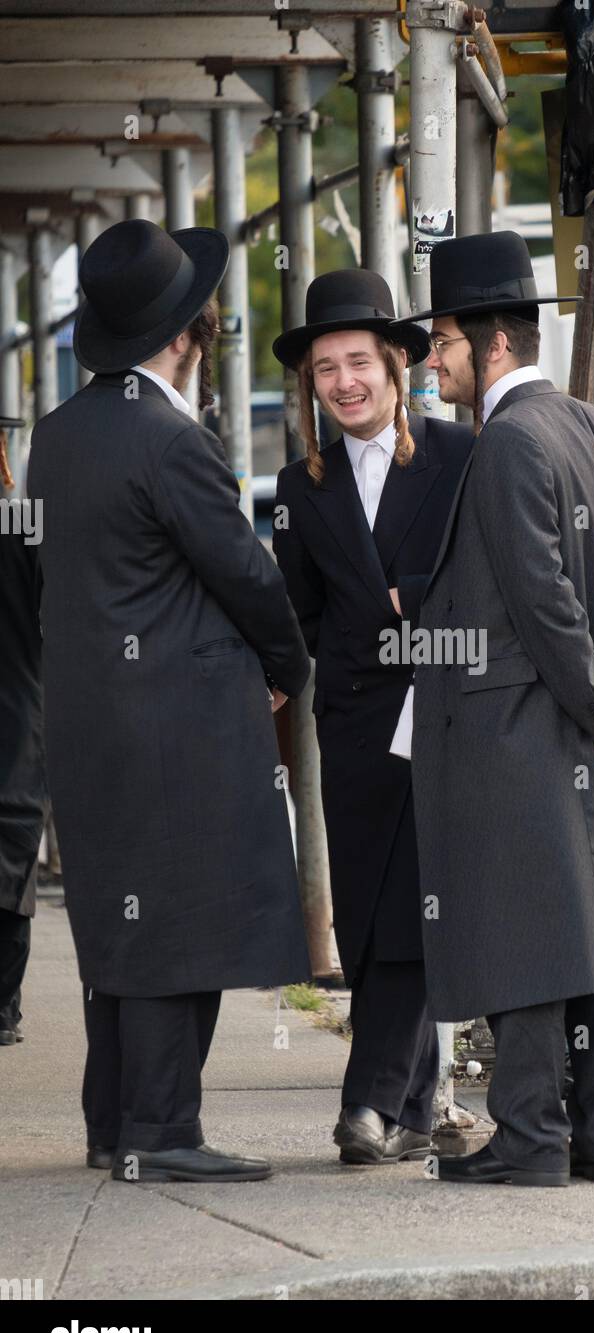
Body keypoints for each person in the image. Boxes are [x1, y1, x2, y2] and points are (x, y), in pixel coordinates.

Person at [400, 231, 594, 1186]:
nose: (427, 364)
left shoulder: (510, 443)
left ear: (489, 342)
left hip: (529, 734)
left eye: (438, 342)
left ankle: (528, 1140)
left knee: (527, 928)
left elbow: (540, 597)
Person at [27, 219, 311, 1184]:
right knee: (183, 924)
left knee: (121, 921)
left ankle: (114, 1125)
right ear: (188, 333)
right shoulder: (170, 441)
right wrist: (287, 663)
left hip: (88, 722)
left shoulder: (56, 441)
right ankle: (161, 1131)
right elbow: (245, 572)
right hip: (180, 725)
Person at [272, 269, 473, 1164]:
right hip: (352, 727)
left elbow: (490, 576)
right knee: (368, 915)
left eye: (358, 361)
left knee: (413, 905)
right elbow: (300, 612)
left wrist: (415, 598)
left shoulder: (460, 457)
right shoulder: (297, 488)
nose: (344, 382)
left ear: (397, 365)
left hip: (440, 715)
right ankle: (417, 1112)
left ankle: (365, 1103)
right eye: (325, 369)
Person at [0, 415, 46, 1047]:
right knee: (11, 853)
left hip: (17, 715)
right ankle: (3, 1005)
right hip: (18, 717)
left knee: (11, 851)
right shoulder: (20, 524)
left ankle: (4, 1004)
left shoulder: (19, 525)